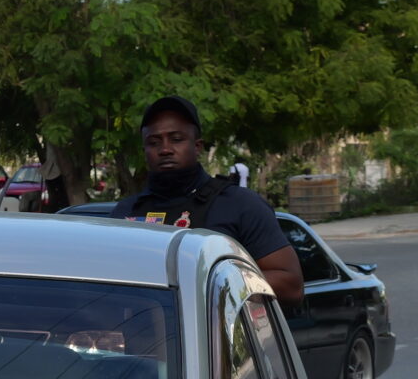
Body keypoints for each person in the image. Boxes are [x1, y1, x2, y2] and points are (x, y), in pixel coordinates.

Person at [110, 96, 304, 306]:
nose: (165, 149)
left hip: (218, 335)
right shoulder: (125, 212)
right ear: (144, 150)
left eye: (176, 139)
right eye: (154, 142)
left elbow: (291, 285)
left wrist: (214, 281)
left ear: (198, 146)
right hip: (143, 335)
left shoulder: (240, 205)